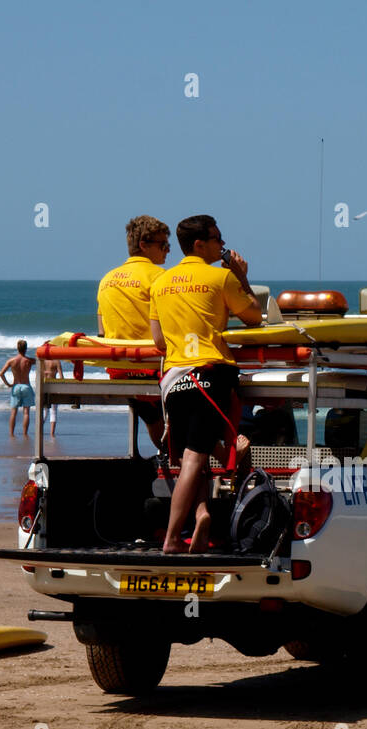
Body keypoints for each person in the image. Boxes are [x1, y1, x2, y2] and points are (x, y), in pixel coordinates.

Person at [150, 215, 262, 553]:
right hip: (210, 374)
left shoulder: (160, 283)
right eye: (216, 239)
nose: (222, 245)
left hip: (174, 378)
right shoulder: (221, 277)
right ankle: (172, 539)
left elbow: (158, 341)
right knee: (198, 457)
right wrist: (242, 275)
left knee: (188, 458)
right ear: (200, 244)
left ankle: (200, 514)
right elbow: (255, 316)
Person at [97, 215, 172, 448]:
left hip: (119, 369)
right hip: (154, 369)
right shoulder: (160, 277)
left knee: (153, 418)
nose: (168, 251)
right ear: (143, 245)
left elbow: (102, 332)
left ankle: (171, 458)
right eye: (163, 245)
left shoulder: (106, 279)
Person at [0, 339, 36, 436]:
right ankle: (25, 434)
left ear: (17, 348)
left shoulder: (11, 361)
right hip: (26, 386)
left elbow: (1, 373)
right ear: (26, 348)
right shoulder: (29, 361)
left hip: (16, 386)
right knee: (26, 413)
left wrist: (8, 384)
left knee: (13, 412)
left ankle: (11, 434)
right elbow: (41, 361)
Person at [41, 356, 64, 436]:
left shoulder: (43, 361)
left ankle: (40, 430)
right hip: (54, 387)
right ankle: (52, 433)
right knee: (53, 412)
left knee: (44, 411)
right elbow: (61, 378)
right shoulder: (57, 361)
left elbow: (40, 375)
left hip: (44, 386)